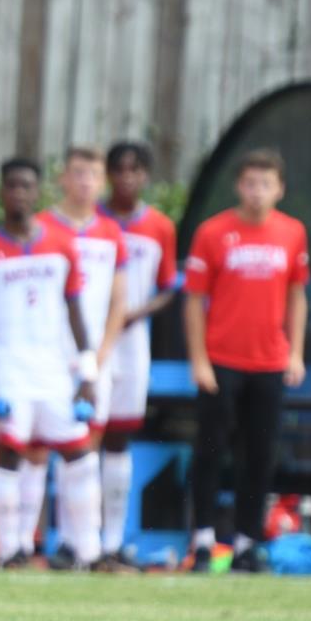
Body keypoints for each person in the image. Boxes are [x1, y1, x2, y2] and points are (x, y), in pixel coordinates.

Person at [0, 158, 100, 570]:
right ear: (2, 192)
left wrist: (87, 372)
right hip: (6, 369)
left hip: (54, 370)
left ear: (37, 192)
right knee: (9, 454)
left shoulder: (61, 245)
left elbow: (76, 311)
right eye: (12, 186)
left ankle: (89, 551)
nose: (19, 194)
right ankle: (11, 550)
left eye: (27, 186)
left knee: (78, 453)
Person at [183, 148, 309, 574]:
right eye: (251, 183)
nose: (257, 192)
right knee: (211, 450)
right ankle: (201, 539)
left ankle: (246, 541)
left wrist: (294, 352)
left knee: (259, 455)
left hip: (269, 362)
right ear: (239, 186)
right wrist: (199, 360)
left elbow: (296, 294)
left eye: (266, 184)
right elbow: (194, 300)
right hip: (221, 360)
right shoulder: (213, 232)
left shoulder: (292, 233)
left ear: (280, 190)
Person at [35, 147, 128, 570]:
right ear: (63, 179)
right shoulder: (42, 228)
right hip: (49, 356)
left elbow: (118, 298)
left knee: (86, 442)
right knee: (40, 446)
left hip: (94, 356)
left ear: (102, 182)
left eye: (94, 174)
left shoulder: (111, 232)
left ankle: (82, 544)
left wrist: (100, 351)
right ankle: (42, 541)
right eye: (78, 173)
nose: (86, 181)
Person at [99, 141, 180, 564]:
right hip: (91, 341)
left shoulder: (160, 227)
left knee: (119, 435)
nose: (127, 178)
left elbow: (169, 287)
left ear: (146, 176)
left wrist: (137, 311)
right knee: (80, 436)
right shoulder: (91, 222)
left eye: (136, 170)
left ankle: (112, 541)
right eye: (120, 169)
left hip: (132, 345)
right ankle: (81, 541)